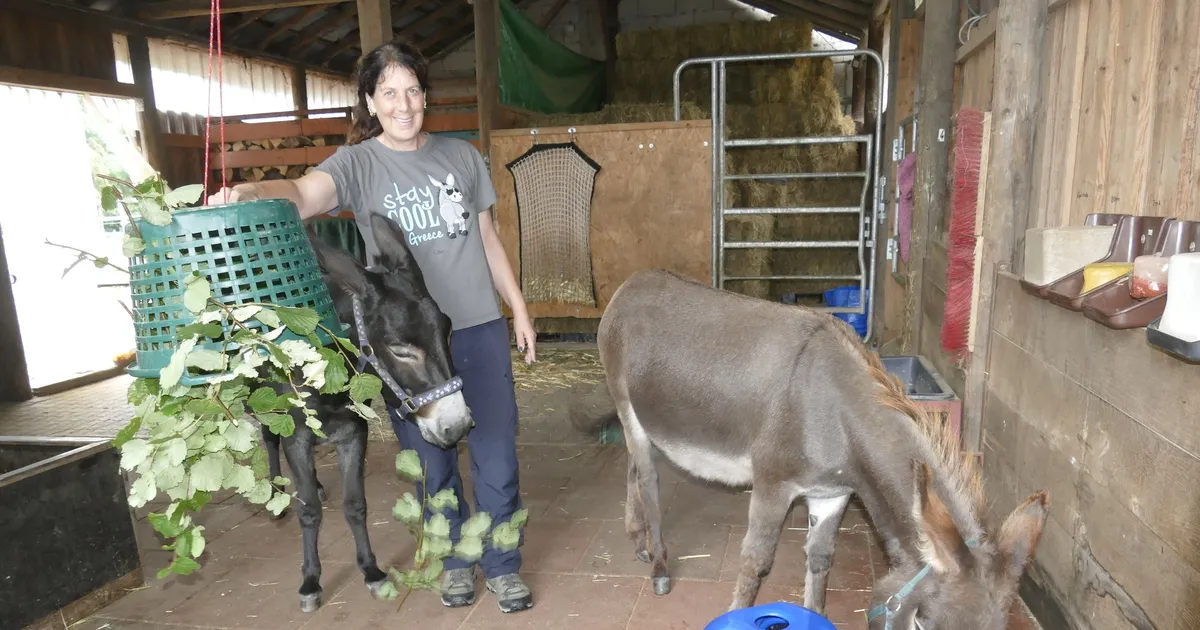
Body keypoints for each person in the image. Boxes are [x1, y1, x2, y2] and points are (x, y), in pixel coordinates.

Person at [206, 39, 536, 614]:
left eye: (413, 90)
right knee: (431, 462)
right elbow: (304, 195)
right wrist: (253, 191)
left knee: (495, 456)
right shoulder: (358, 164)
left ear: (425, 95)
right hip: (404, 344)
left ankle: (503, 564)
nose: (404, 104)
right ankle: (455, 560)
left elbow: (487, 239)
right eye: (389, 93)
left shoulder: (462, 157)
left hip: (476, 328)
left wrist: (520, 307)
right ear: (370, 100)